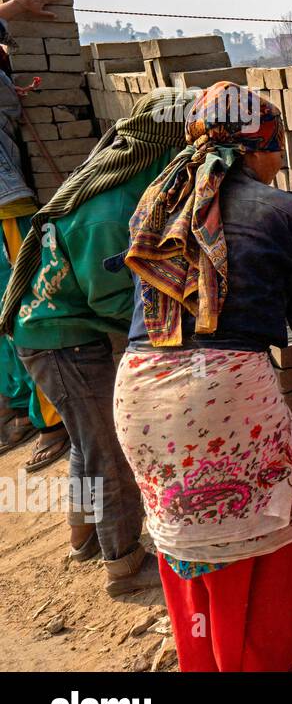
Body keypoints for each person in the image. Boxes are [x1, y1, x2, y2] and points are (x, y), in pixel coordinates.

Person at [113, 82, 292, 672]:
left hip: (140, 394)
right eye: (278, 148)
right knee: (268, 550)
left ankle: (208, 661)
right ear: (255, 147)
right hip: (222, 398)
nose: (281, 163)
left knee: (192, 550)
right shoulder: (286, 211)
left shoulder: (157, 203)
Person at [0, 87, 188, 594]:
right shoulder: (115, 208)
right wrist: (180, 330)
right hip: (60, 340)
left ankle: (83, 538)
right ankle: (124, 565)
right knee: (109, 449)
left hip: (48, 332)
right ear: (165, 144)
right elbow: (112, 302)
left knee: (87, 441)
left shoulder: (119, 177)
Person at [0, 0, 70, 473]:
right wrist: (13, 8)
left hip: (5, 201)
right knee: (11, 308)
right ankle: (23, 407)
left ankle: (50, 418)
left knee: (26, 303)